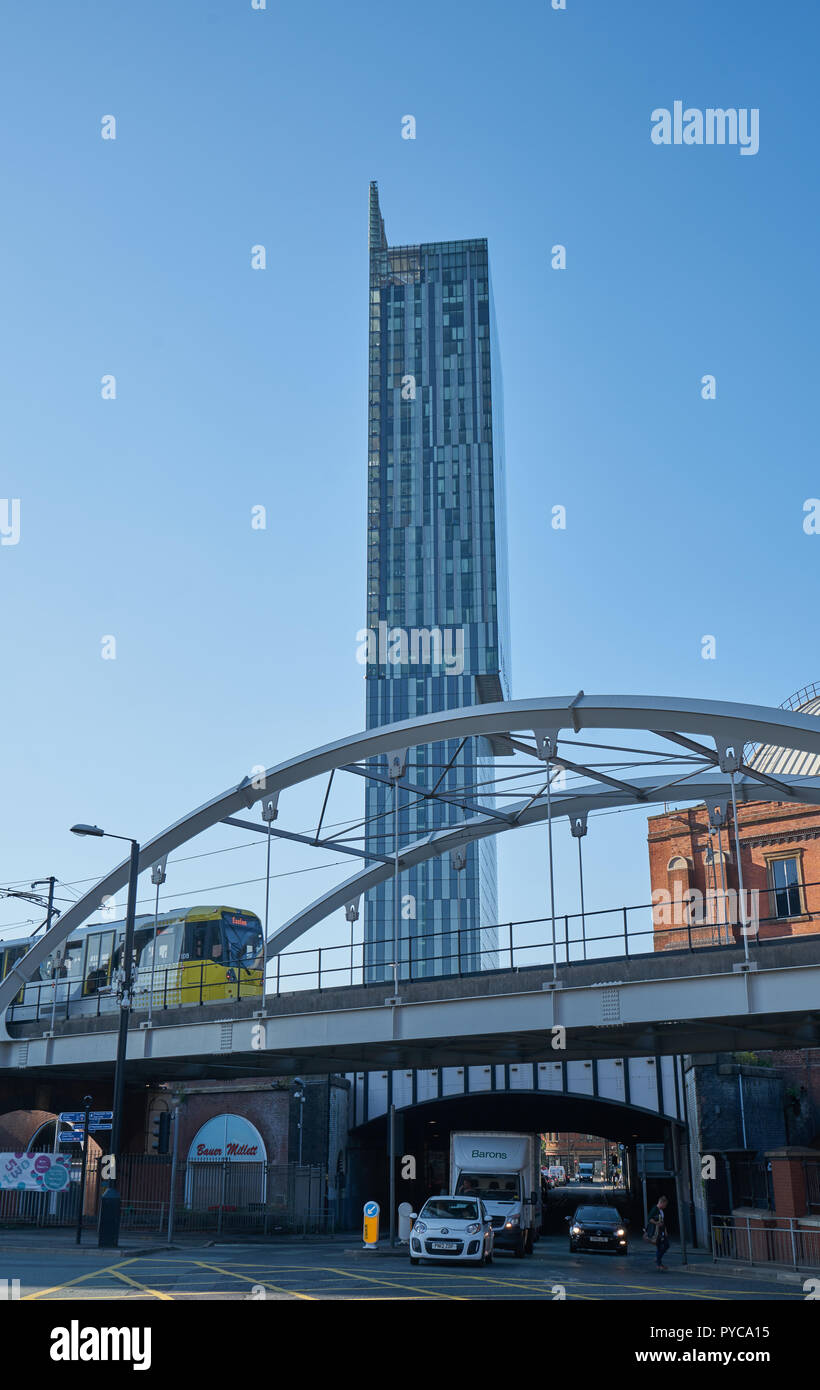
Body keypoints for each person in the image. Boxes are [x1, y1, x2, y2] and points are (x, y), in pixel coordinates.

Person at [646, 1195, 670, 1270]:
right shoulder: (655, 1209)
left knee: (664, 1246)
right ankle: (659, 1263)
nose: (665, 1206)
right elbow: (649, 1219)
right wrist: (656, 1223)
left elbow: (662, 1221)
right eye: (665, 1205)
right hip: (657, 1232)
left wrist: (665, 1231)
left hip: (661, 1231)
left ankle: (658, 1261)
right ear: (661, 1203)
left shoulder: (661, 1211)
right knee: (663, 1246)